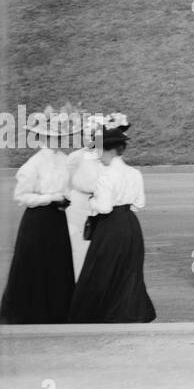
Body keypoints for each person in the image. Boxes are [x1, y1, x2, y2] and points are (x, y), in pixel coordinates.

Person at [68, 119, 156, 324]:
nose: (98, 157)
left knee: (101, 268)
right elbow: (139, 204)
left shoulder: (106, 176)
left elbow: (104, 207)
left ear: (108, 151)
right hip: (131, 225)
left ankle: (101, 313)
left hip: (110, 226)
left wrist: (92, 202)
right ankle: (130, 311)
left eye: (99, 151)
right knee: (129, 269)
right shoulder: (135, 173)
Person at [0, 113, 75, 325]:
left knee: (57, 264)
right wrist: (50, 198)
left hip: (57, 218)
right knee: (34, 265)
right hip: (37, 220)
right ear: (42, 138)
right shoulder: (33, 164)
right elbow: (21, 196)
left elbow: (67, 186)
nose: (57, 141)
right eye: (52, 137)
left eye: (60, 137)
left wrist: (64, 198)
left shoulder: (64, 160)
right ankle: (29, 312)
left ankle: (58, 311)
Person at [66, 115, 106, 280]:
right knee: (78, 244)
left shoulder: (106, 157)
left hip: (100, 204)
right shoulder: (75, 157)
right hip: (78, 205)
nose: (90, 137)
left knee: (99, 245)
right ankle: (77, 280)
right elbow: (66, 184)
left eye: (94, 134)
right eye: (86, 133)